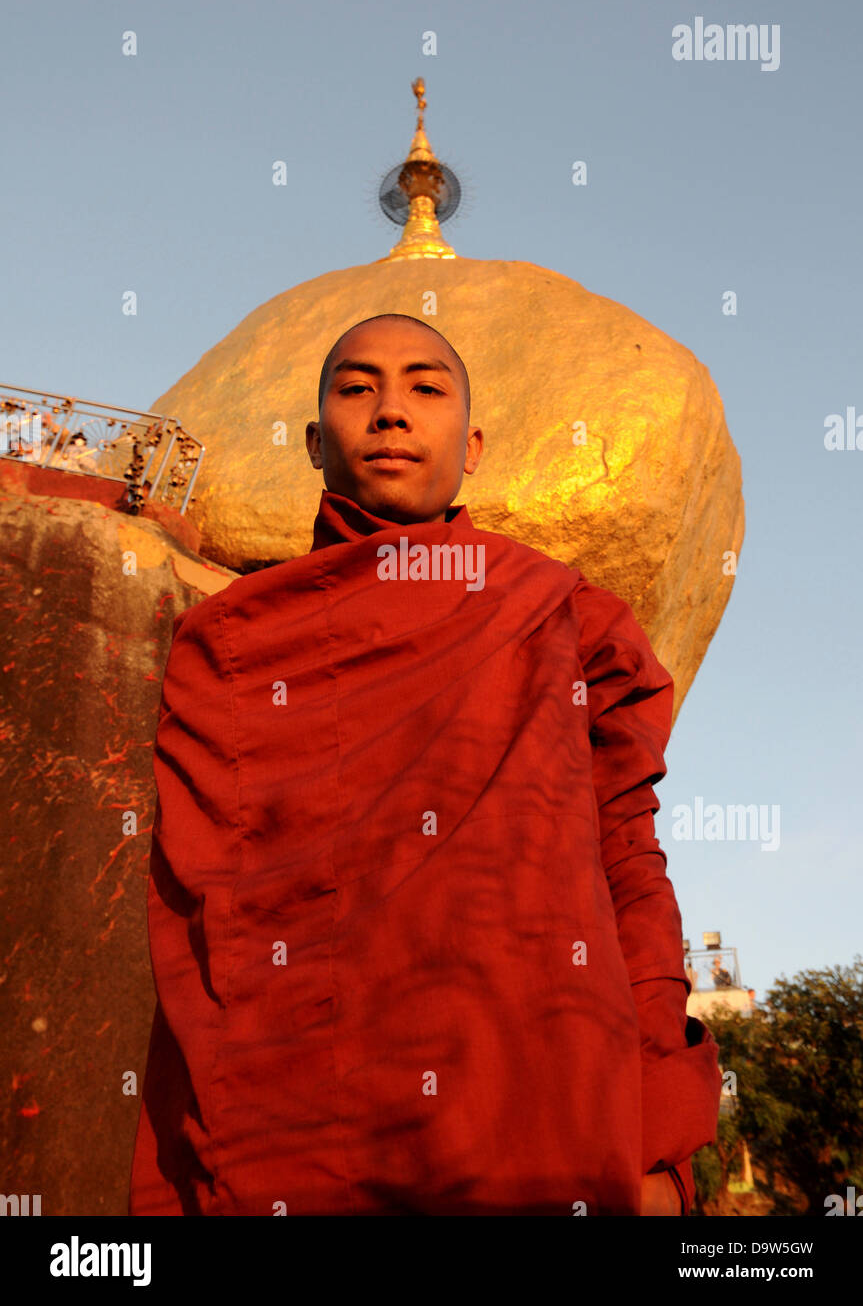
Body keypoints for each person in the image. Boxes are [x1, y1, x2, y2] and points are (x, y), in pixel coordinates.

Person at [129, 313, 722, 1217]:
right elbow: (195, 915)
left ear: (472, 448)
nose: (391, 412)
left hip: (529, 1105)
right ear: (314, 442)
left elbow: (629, 865)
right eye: (356, 388)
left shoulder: (564, 618)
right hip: (294, 1116)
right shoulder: (231, 640)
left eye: (426, 388)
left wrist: (658, 1140)